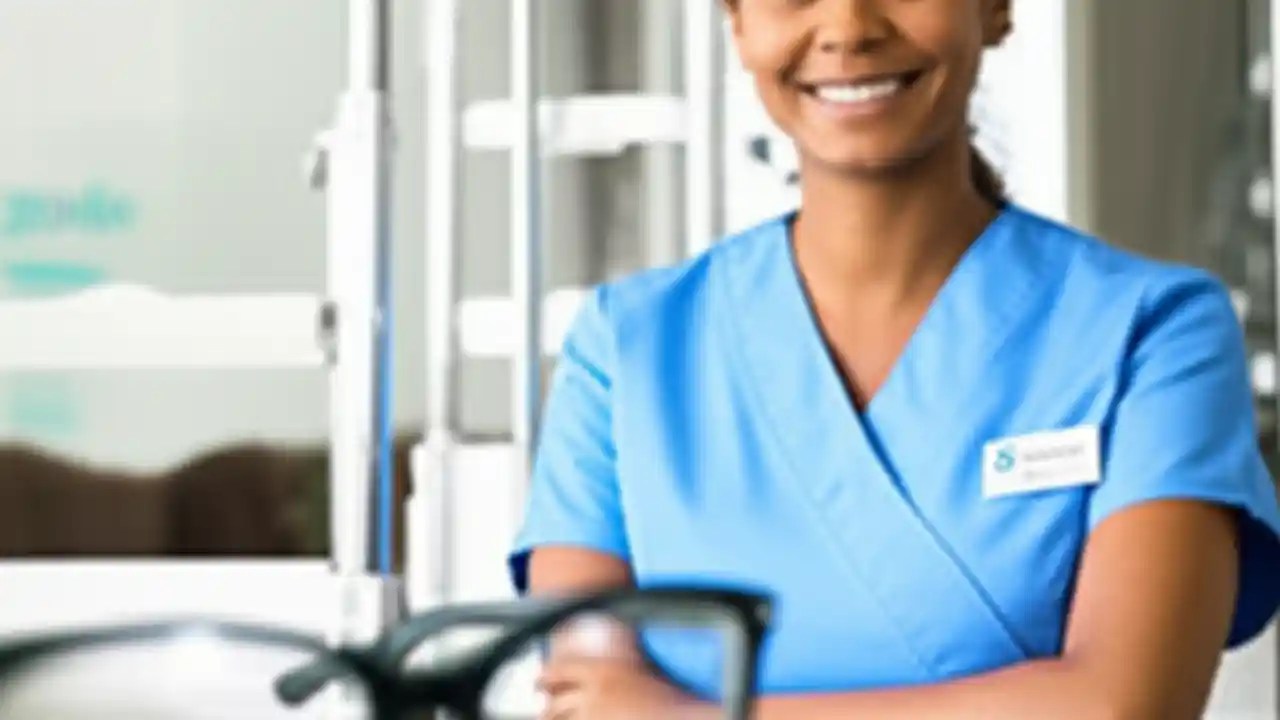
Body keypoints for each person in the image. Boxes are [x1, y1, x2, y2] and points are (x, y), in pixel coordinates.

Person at [510, 1, 1280, 718]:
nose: (847, 26)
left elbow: (1120, 704)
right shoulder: (627, 347)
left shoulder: (1155, 332)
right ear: (737, 23)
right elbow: (592, 696)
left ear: (996, 7)